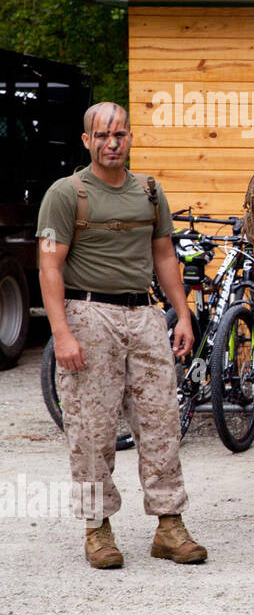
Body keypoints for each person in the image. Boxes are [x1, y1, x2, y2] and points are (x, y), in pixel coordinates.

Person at [37, 102, 205, 569]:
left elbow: (164, 256)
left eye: (121, 135)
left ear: (130, 138)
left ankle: (169, 525)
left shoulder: (149, 192)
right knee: (92, 428)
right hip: (89, 313)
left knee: (161, 422)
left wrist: (182, 315)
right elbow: (49, 265)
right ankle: (97, 528)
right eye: (103, 135)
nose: (113, 143)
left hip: (144, 316)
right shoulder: (66, 193)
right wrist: (62, 333)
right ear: (86, 140)